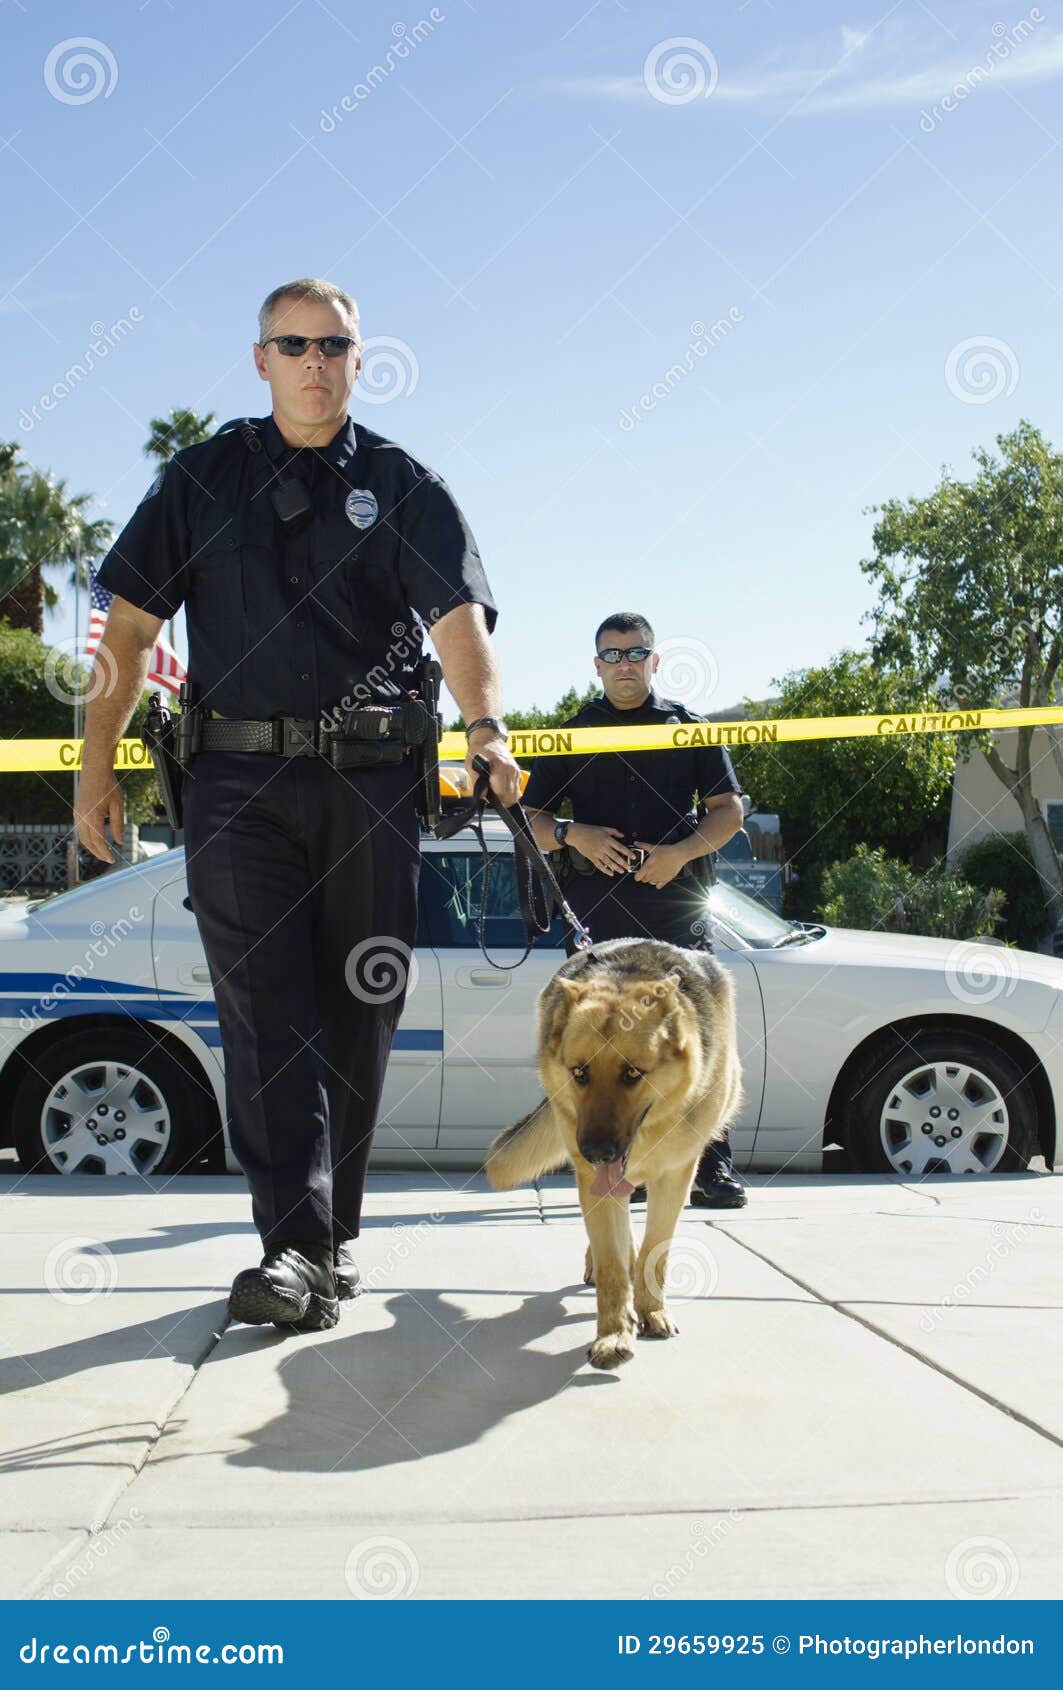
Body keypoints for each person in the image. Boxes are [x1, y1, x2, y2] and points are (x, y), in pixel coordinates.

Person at [75, 276, 521, 1330]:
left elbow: (458, 620)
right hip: (235, 785)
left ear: (360, 361)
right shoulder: (201, 478)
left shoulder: (403, 484)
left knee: (360, 1007)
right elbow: (129, 630)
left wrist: (487, 728)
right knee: (266, 1016)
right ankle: (295, 1248)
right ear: (261, 358)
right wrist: (97, 768)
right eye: (294, 344)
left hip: (370, 784)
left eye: (335, 345)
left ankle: (335, 1232)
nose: (315, 361)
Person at [521, 611, 749, 1208]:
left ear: (654, 660)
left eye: (635, 653)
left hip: (677, 908)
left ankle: (708, 1168)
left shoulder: (689, 729)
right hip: (598, 921)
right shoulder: (569, 733)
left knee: (696, 1040)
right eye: (612, 655)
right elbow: (531, 823)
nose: (624, 665)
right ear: (596, 665)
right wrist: (576, 835)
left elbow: (729, 812)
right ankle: (613, 1173)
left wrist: (679, 853)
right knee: (601, 1053)